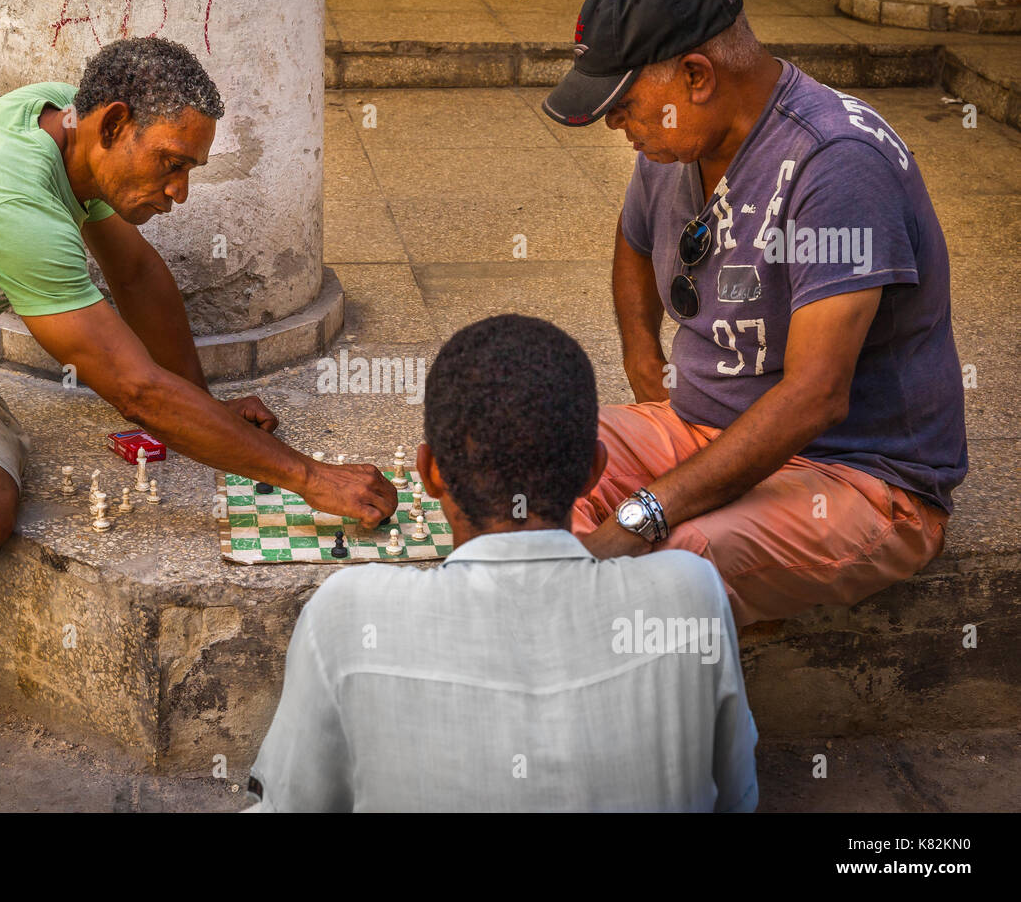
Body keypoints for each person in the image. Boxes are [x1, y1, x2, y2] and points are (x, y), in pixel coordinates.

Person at [0, 37, 396, 799]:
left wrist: (206, 404)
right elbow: (137, 393)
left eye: (189, 168)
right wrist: (309, 479)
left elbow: (135, 271)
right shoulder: (11, 197)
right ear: (114, 123)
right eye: (172, 163)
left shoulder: (62, 120)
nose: (180, 191)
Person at [540, 0, 966, 625]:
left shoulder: (838, 164)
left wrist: (643, 513)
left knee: (676, 563)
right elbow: (635, 240)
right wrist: (640, 353)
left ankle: (658, 718)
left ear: (696, 77)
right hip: (701, 425)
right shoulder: (674, 144)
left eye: (624, 105)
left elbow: (815, 397)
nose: (617, 124)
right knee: (528, 462)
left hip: (852, 473)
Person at [247, 314, 757, 812]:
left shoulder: (348, 615)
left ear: (429, 473)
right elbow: (734, 796)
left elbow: (291, 803)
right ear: (594, 472)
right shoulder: (691, 594)